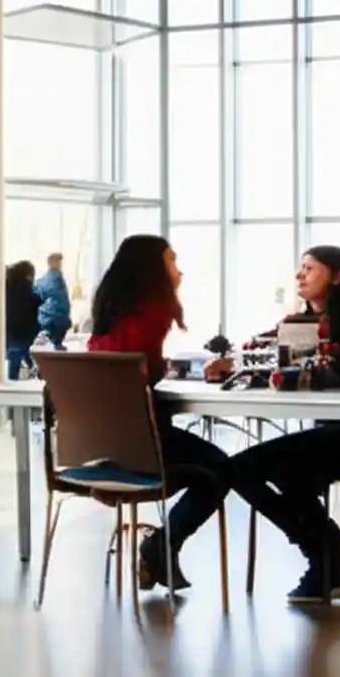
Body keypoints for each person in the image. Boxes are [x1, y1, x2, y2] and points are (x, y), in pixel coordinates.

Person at [214, 245, 340, 603]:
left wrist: (298, 360)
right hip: (327, 434)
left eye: (309, 268)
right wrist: (235, 362)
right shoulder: (294, 325)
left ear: (337, 276)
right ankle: (327, 548)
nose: (299, 275)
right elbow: (257, 357)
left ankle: (327, 553)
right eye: (299, 268)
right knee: (242, 469)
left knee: (271, 468)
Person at [85, 235, 233, 591]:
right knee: (223, 470)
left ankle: (161, 550)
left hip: (97, 449)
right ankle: (160, 547)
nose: (178, 269)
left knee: (209, 468)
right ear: (152, 269)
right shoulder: (155, 309)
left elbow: (131, 361)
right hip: (140, 442)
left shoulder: (108, 312)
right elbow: (144, 368)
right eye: (171, 260)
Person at [5, 260, 42, 379]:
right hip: (22, 327)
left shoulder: (8, 285)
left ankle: (30, 369)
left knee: (19, 350)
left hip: (10, 325)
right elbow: (32, 302)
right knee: (18, 350)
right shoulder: (24, 288)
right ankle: (15, 376)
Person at [35, 252, 71, 349]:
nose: (60, 264)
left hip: (56, 311)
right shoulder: (54, 277)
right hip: (56, 312)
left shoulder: (50, 277)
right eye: (58, 262)